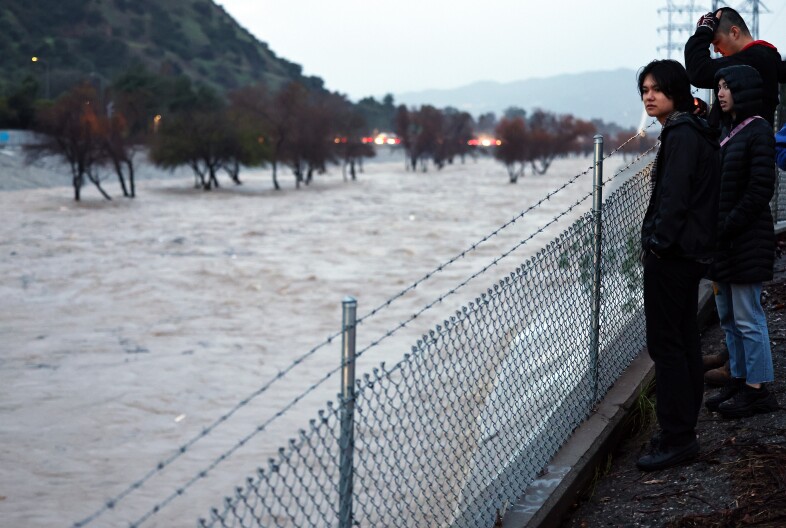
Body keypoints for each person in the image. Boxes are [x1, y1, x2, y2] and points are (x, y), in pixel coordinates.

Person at [636, 60, 721, 472]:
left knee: (667, 346)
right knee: (684, 342)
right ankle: (681, 431)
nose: (648, 96)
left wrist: (657, 245)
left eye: (656, 89)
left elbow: (674, 197)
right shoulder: (689, 129)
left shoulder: (683, 135)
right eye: (644, 90)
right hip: (687, 254)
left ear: (676, 90)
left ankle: (677, 438)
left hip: (673, 256)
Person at [704, 65, 780, 418]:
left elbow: (761, 188)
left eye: (727, 86)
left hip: (745, 239)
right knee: (729, 318)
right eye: (718, 86)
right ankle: (738, 379)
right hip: (723, 240)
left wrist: (728, 225)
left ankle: (758, 389)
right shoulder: (724, 130)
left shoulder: (759, 129)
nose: (720, 92)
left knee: (749, 316)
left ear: (744, 90)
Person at [685, 7, 781, 128]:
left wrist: (703, 31)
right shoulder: (764, 57)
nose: (715, 49)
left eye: (716, 41)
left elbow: (698, 71)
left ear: (734, 32)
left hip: (744, 144)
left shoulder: (752, 60)